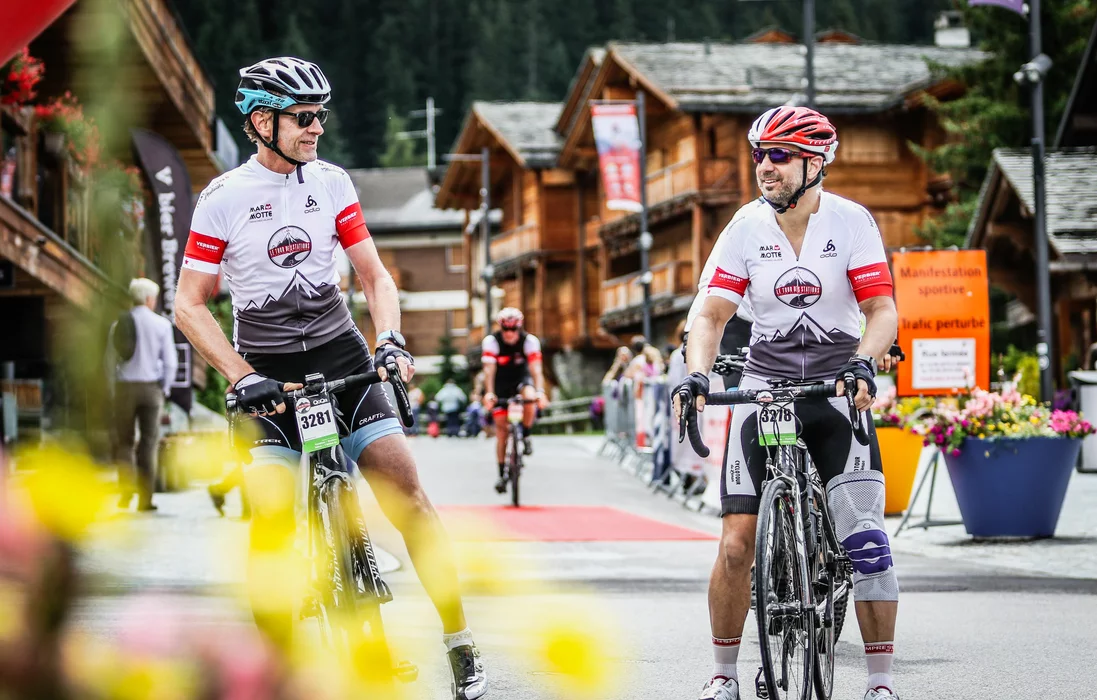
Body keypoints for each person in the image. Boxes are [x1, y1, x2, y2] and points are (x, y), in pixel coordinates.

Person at [173, 57, 486, 698]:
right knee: (269, 529)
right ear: (262, 122)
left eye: (321, 115)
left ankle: (461, 645)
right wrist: (239, 376)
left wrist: (391, 339)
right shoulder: (222, 198)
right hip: (266, 378)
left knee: (410, 497)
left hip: (342, 357)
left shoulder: (332, 181)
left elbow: (373, 275)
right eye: (303, 117)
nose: (317, 127)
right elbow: (188, 302)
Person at [674, 106, 901, 700]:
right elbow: (711, 312)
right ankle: (724, 674)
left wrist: (863, 362)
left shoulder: (851, 222)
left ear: (814, 162)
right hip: (764, 387)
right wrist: (698, 376)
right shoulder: (745, 227)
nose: (765, 167)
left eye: (779, 155)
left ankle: (879, 684)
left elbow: (881, 310)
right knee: (734, 541)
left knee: (867, 542)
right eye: (759, 155)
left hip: (836, 385)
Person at [109, 278, 177, 512]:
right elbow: (170, 362)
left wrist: (112, 388)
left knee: (124, 442)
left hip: (124, 388)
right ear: (150, 299)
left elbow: (109, 361)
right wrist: (164, 388)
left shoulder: (119, 324)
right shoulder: (161, 325)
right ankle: (145, 499)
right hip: (151, 389)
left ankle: (126, 491)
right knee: (148, 443)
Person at [480, 308, 548, 494]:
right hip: (500, 383)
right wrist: (490, 393)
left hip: (521, 379)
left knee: (529, 395)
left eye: (513, 329)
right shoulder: (492, 342)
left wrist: (540, 392)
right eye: (505, 329)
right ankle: (502, 474)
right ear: (501, 328)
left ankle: (525, 434)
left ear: (519, 327)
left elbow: (536, 370)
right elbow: (489, 371)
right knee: (502, 431)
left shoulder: (530, 341)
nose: (509, 334)